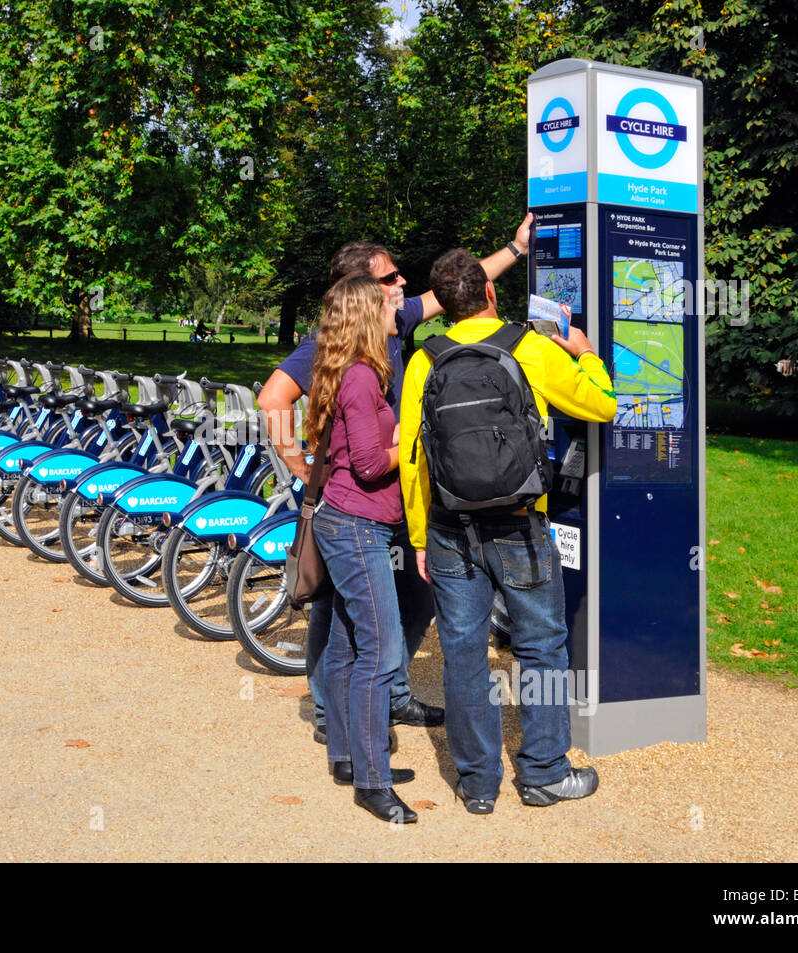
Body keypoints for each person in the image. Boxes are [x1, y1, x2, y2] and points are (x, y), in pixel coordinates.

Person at [257, 215, 533, 744]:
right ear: (361, 291)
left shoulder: (392, 318)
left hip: (402, 493)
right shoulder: (329, 341)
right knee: (335, 608)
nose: (402, 286)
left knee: (416, 594)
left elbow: (453, 291)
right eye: (390, 279)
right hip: (355, 499)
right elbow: (272, 401)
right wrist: (300, 468)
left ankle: (390, 694)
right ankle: (329, 713)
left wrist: (515, 249)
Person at [399, 249, 616, 814]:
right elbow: (601, 406)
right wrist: (587, 353)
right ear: (491, 294)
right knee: (541, 647)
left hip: (448, 526)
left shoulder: (426, 360)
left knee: (463, 651)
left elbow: (411, 457)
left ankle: (477, 783)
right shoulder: (530, 348)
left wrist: (420, 537)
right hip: (520, 525)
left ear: (441, 309)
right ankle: (543, 772)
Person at [307, 274, 417, 823]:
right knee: (382, 650)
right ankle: (373, 782)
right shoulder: (359, 379)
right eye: (386, 304)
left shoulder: (351, 372)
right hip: (356, 524)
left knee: (352, 646)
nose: (395, 311)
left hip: (349, 521)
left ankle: (350, 757)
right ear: (366, 315)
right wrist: (413, 440)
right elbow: (372, 465)